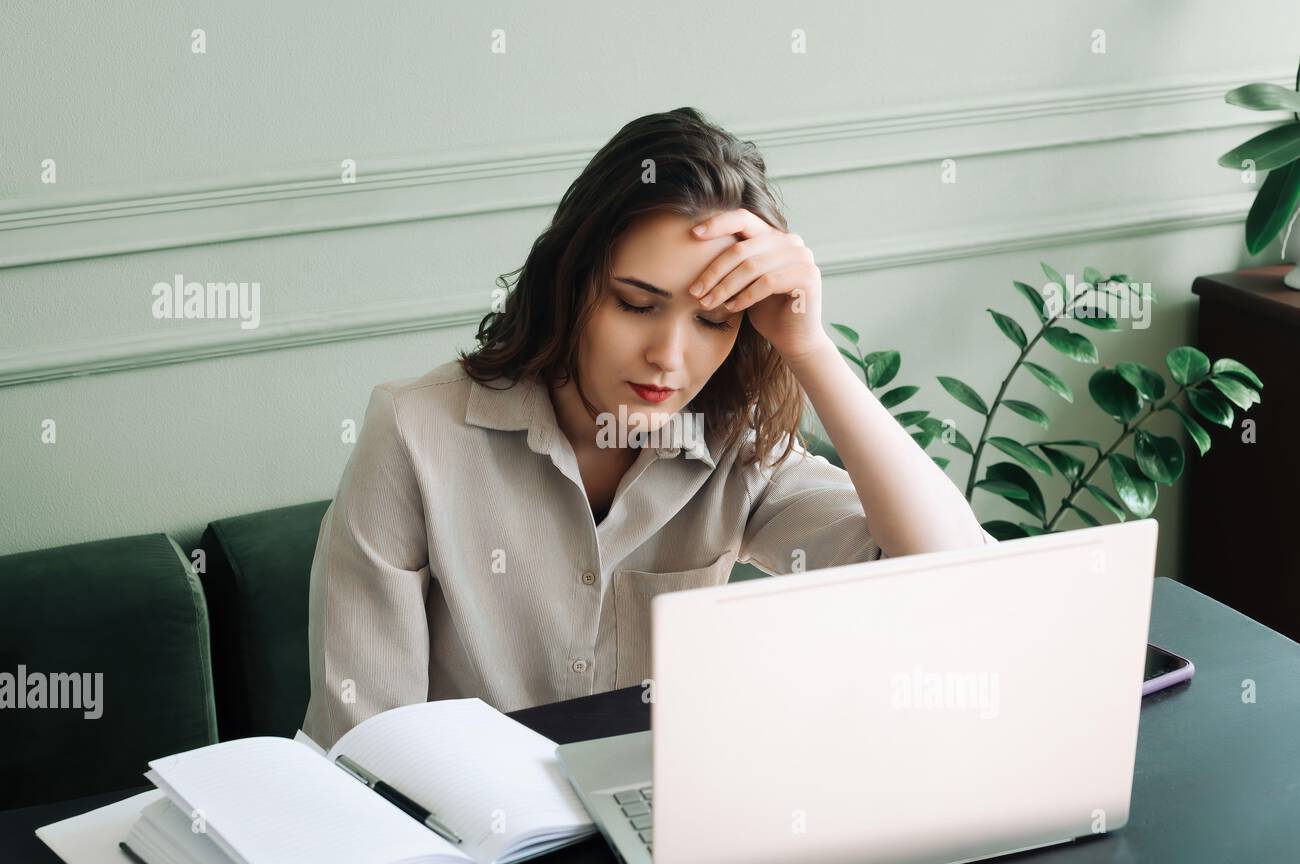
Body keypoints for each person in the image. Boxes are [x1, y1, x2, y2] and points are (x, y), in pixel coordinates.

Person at [300, 107, 993, 750]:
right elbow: (366, 749)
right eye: (636, 305)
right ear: (568, 285)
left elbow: (952, 575)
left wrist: (808, 345)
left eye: (713, 320)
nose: (669, 355)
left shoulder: (738, 448)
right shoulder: (414, 434)